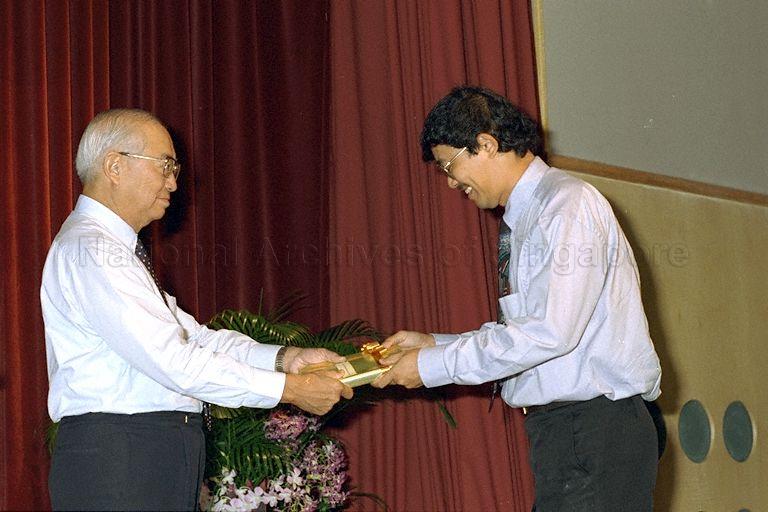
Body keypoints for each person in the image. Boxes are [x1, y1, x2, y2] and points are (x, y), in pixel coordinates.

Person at [41, 109, 353, 511]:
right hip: (121, 460)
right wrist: (289, 390)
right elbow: (173, 360)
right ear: (115, 166)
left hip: (143, 455)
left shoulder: (113, 249)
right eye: (165, 165)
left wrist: (285, 359)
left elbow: (194, 338)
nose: (174, 182)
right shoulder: (93, 250)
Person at [372, 86, 662, 511]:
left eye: (450, 165)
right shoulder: (527, 216)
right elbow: (527, 332)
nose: (452, 183)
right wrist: (436, 344)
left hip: (593, 428)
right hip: (570, 432)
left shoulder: (565, 205)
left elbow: (549, 334)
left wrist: (431, 366)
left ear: (486, 143)